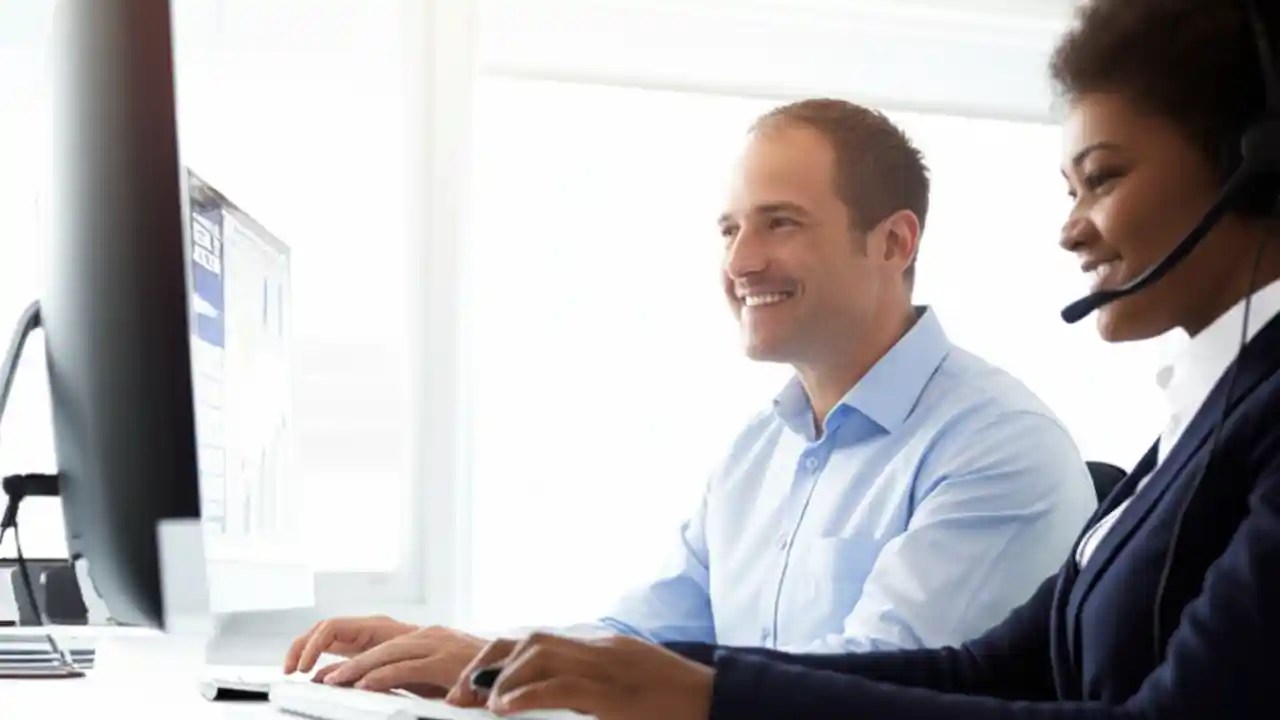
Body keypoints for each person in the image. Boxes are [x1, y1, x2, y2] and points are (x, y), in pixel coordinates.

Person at [430, 1, 1280, 718]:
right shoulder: (1195, 426)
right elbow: (990, 669)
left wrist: (709, 697)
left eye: (1104, 178)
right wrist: (501, 663)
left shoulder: (1020, 441)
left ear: (1255, 167)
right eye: (730, 229)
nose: (1070, 229)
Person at [282, 99, 1096, 693]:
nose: (741, 262)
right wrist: (463, 654)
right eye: (729, 229)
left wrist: (497, 667)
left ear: (894, 241)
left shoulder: (998, 448)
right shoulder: (757, 453)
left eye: (780, 223)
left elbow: (867, 693)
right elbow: (638, 636)